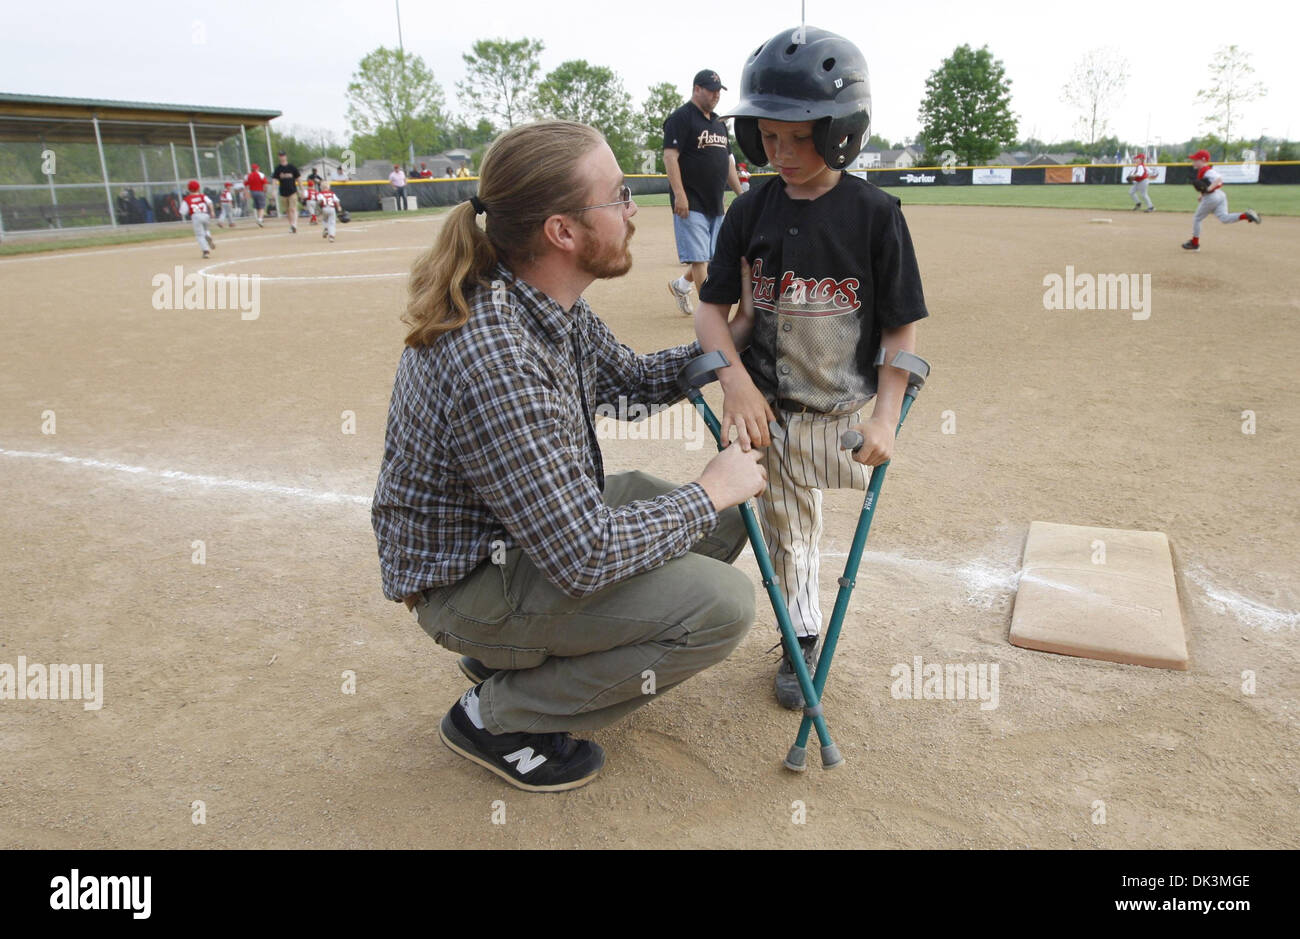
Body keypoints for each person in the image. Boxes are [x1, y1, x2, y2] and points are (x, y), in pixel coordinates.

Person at [371, 120, 766, 792]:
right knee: (722, 602)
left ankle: (531, 656)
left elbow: (630, 384)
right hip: (468, 583)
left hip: (514, 543)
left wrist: (730, 344)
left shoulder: (543, 300)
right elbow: (583, 555)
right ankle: (495, 713)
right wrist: (706, 489)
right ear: (562, 231)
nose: (633, 209)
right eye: (615, 198)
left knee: (717, 517)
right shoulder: (497, 355)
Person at [693, 26, 929, 709]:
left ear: (843, 131)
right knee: (771, 528)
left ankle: (760, 558)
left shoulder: (876, 215)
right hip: (759, 410)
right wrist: (734, 381)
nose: (783, 153)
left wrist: (886, 416)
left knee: (795, 515)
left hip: (836, 417)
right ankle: (801, 636)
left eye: (800, 137)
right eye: (769, 137)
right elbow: (711, 311)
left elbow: (899, 327)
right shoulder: (749, 210)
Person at [664, 69, 745, 316]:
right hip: (691, 201)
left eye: (719, 90)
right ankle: (710, 313)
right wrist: (680, 195)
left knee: (711, 257)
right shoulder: (681, 118)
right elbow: (670, 156)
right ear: (696, 89)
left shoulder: (719, 123)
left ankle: (681, 285)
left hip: (714, 202)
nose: (716, 95)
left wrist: (742, 196)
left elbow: (728, 162)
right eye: (711, 90)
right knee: (700, 259)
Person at [1182, 149, 1261, 251]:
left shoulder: (1206, 170)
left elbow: (1219, 179)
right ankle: (1246, 215)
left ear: (1202, 160)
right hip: (1220, 195)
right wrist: (1203, 194)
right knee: (1224, 218)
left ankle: (1194, 243)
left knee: (1197, 218)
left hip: (1211, 197)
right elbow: (1213, 183)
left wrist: (1209, 189)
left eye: (1195, 160)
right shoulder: (1205, 170)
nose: (1193, 162)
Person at [179, 180, 216, 258]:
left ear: (189, 189)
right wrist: (212, 212)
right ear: (198, 188)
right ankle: (208, 236)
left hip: (196, 216)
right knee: (206, 230)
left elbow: (182, 212)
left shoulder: (187, 199)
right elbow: (210, 203)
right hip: (205, 215)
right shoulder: (203, 196)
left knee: (199, 235)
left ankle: (206, 251)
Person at [273, 151, 301, 232]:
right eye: (280, 156)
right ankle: (291, 224)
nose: (282, 157)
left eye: (283, 155)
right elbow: (274, 179)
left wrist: (301, 189)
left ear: (286, 156)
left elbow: (298, 178)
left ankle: (295, 224)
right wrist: (274, 190)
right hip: (283, 192)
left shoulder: (292, 167)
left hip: (293, 191)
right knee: (287, 210)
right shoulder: (278, 168)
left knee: (292, 208)